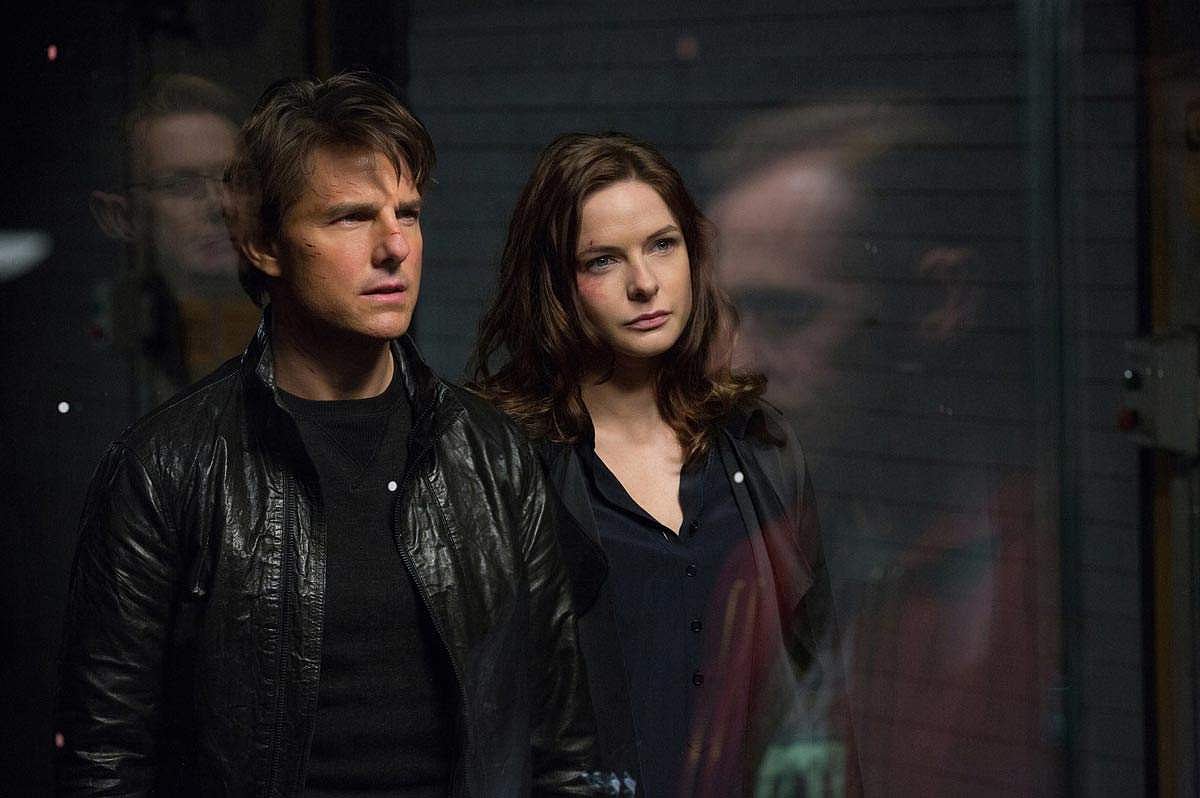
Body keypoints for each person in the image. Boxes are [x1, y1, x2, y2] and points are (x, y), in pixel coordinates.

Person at [55, 72, 607, 797]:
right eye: (350, 217)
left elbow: (563, 752)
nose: (395, 246)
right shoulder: (164, 467)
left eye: (408, 213)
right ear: (264, 243)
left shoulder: (492, 453)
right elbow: (103, 762)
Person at [470, 132, 859, 797]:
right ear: (554, 283)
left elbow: (814, 679)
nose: (644, 283)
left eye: (661, 245)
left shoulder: (760, 444)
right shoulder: (499, 461)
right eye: (602, 260)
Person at [89, 74, 259, 404]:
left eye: (234, 178)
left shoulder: (317, 346)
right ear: (123, 216)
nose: (219, 205)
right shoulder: (109, 380)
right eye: (181, 185)